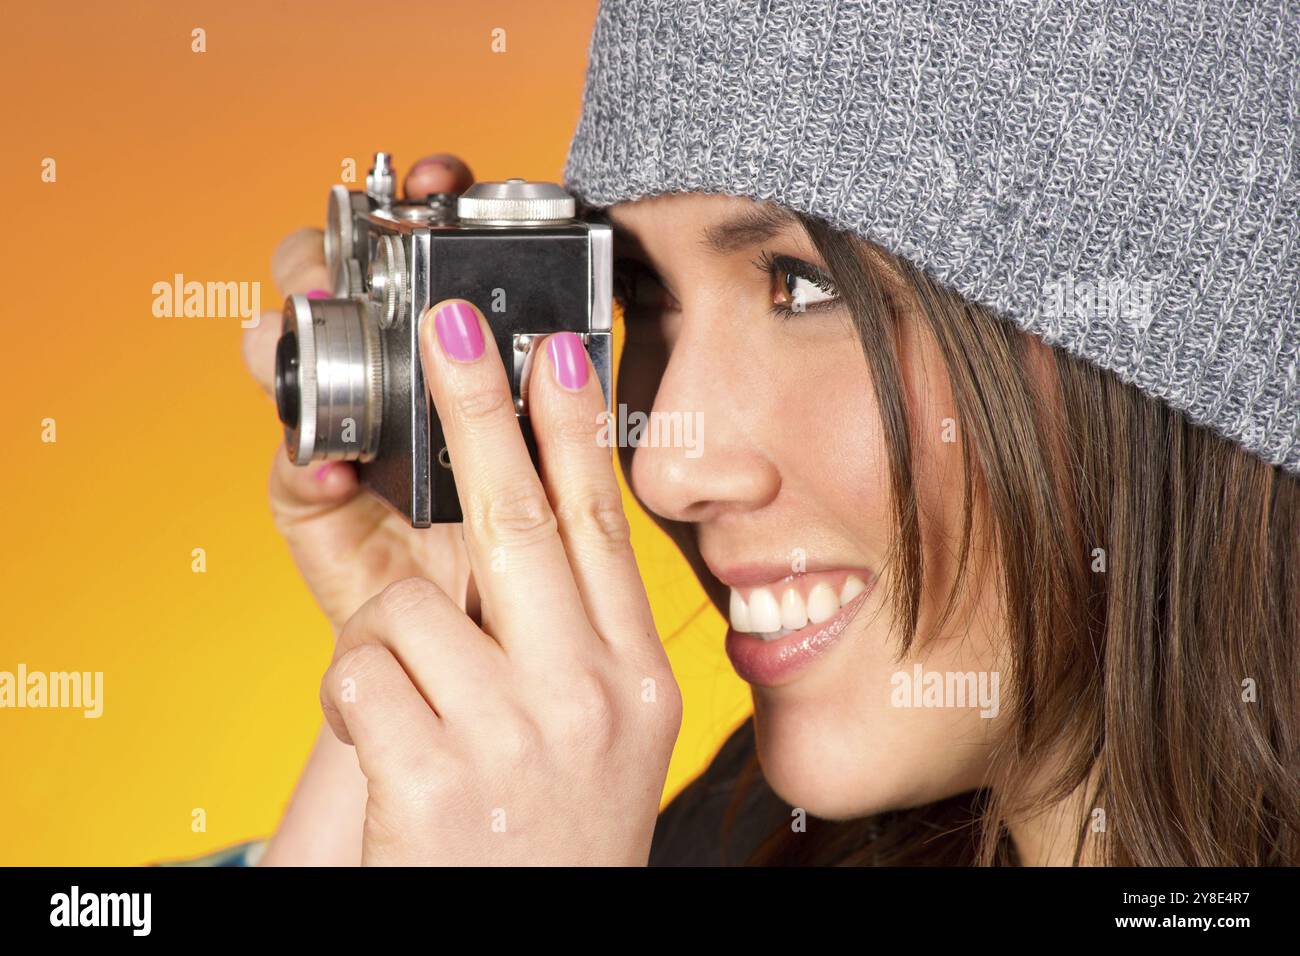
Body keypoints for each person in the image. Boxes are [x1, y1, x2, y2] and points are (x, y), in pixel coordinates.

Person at [236, 0, 1299, 866]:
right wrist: (428, 648)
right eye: (643, 290)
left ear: (1168, 350)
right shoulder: (744, 841)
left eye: (803, 285)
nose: (666, 464)